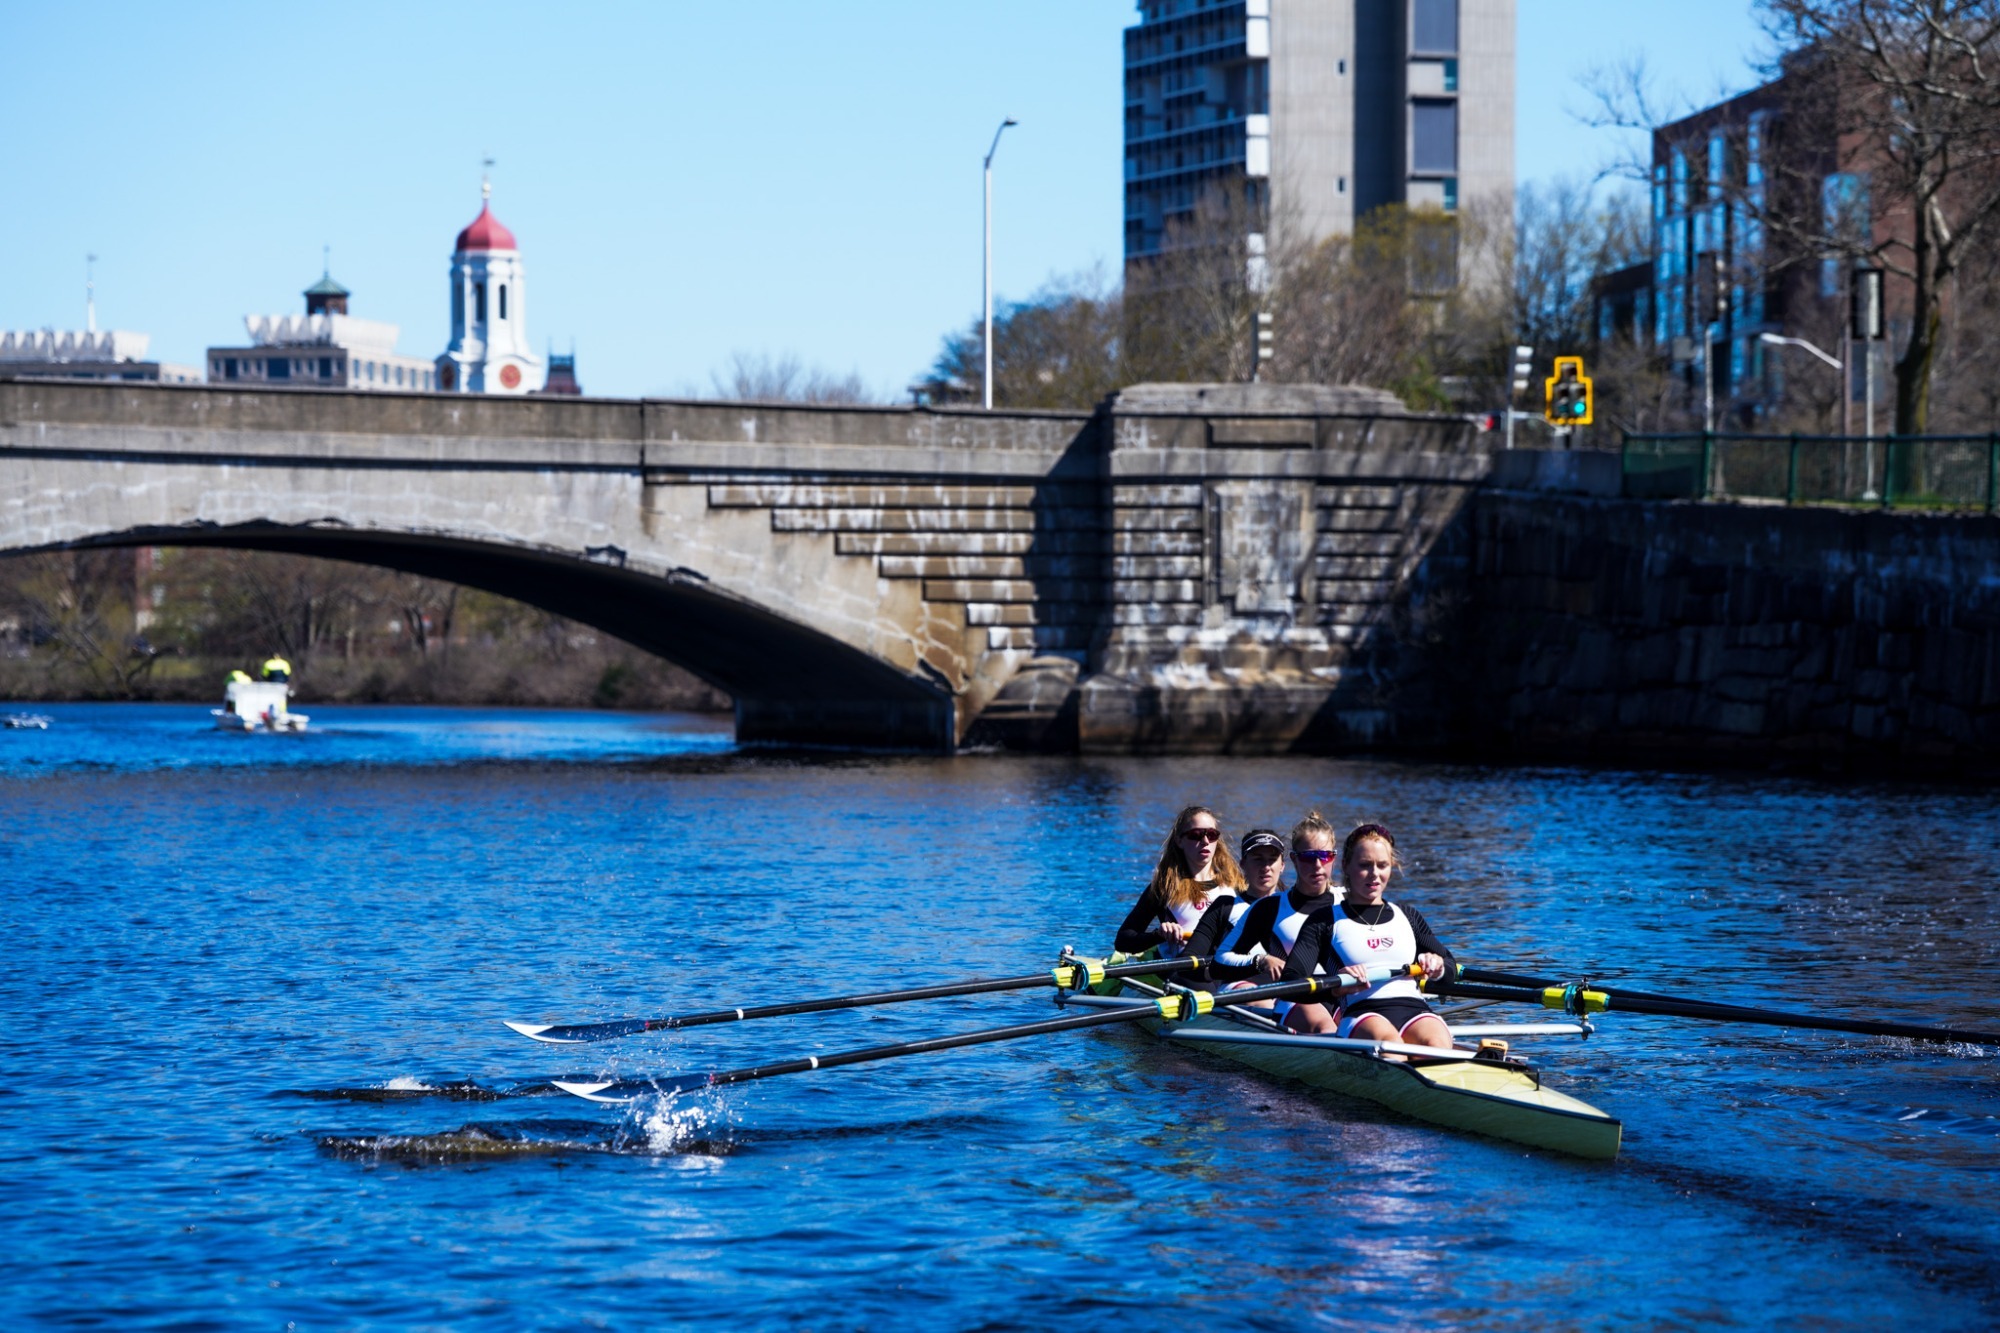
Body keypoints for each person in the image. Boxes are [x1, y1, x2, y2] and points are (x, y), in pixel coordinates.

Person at [1282, 822, 1455, 1053]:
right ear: (1346, 867)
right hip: (1362, 1013)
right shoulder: (1324, 921)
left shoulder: (1408, 916)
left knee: (1437, 1046)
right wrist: (1336, 988)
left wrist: (1438, 967)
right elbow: (1290, 982)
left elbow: (1451, 969)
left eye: (1382, 865)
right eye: (1365, 865)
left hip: (1415, 1010)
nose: (1374, 874)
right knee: (1393, 1048)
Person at [1210, 811, 1346, 1022]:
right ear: (1293, 859)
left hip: (1344, 993)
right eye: (1309, 857)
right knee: (1325, 1026)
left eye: (1325, 856)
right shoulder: (1269, 908)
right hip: (1297, 997)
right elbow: (1219, 963)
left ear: (1334, 858)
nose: (1317, 865)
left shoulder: (1349, 902)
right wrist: (1260, 961)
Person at [1114, 804, 1246, 958]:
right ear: (1179, 841)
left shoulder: (1237, 886)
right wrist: (1159, 935)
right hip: (1181, 972)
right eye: (1196, 834)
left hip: (1226, 969)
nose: (1205, 841)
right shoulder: (1164, 888)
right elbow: (1123, 941)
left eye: (1211, 834)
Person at [1184, 827, 1288, 970]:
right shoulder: (1224, 907)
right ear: (1243, 864)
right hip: (1237, 986)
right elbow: (1188, 960)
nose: (1266, 867)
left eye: (1272, 860)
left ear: (1282, 866)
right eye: (1258, 859)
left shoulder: (1296, 906)